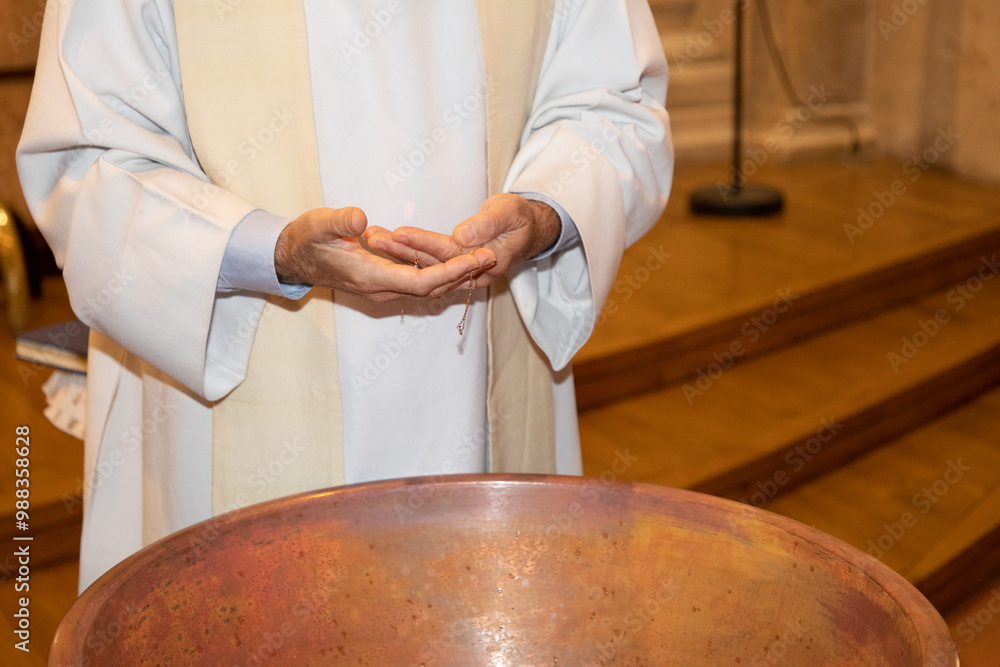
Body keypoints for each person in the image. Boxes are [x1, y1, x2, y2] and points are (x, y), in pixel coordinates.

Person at [17, 0, 673, 592]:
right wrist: (271, 252)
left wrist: (545, 212)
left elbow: (616, 105)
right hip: (240, 377)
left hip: (490, 372)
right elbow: (87, 162)